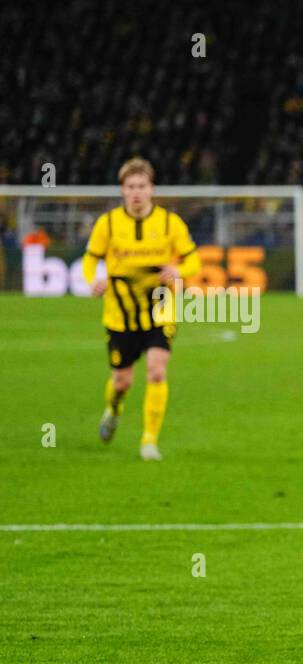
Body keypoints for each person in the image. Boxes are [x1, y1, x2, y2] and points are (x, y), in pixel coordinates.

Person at [82, 157, 200, 460]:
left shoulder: (169, 223)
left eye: (142, 186)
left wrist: (178, 270)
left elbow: (193, 259)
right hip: (120, 314)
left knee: (157, 371)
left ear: (152, 189)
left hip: (160, 308)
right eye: (130, 187)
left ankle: (149, 440)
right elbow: (90, 259)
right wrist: (92, 279)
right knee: (122, 381)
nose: (136, 192)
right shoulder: (107, 224)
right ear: (122, 191)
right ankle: (114, 408)